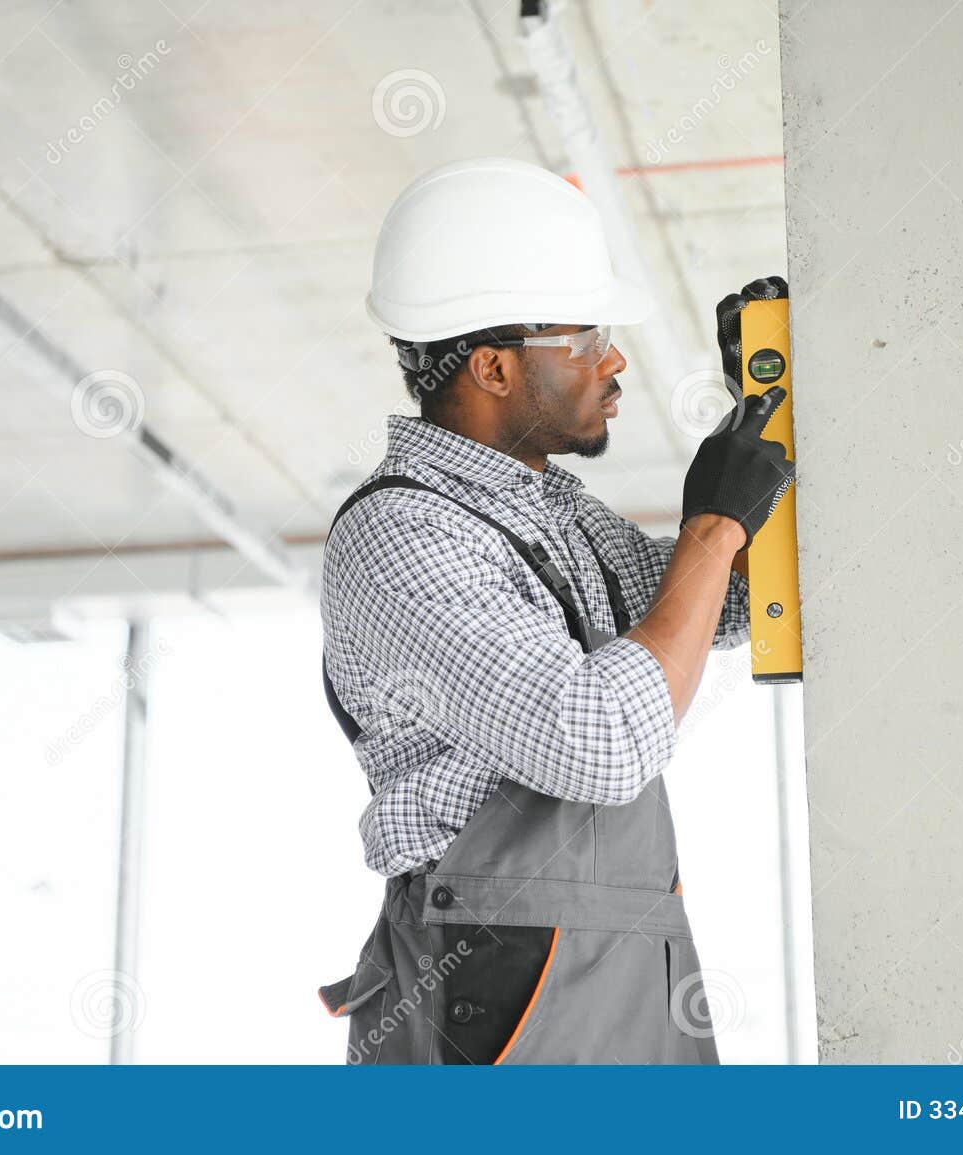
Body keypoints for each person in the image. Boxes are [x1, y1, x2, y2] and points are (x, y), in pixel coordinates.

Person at [317, 156, 793, 1064]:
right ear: (493, 366)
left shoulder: (552, 509)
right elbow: (600, 738)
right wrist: (712, 524)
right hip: (500, 978)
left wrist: (773, 421)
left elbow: (717, 604)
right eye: (584, 338)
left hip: (620, 963)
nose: (614, 360)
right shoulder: (402, 536)